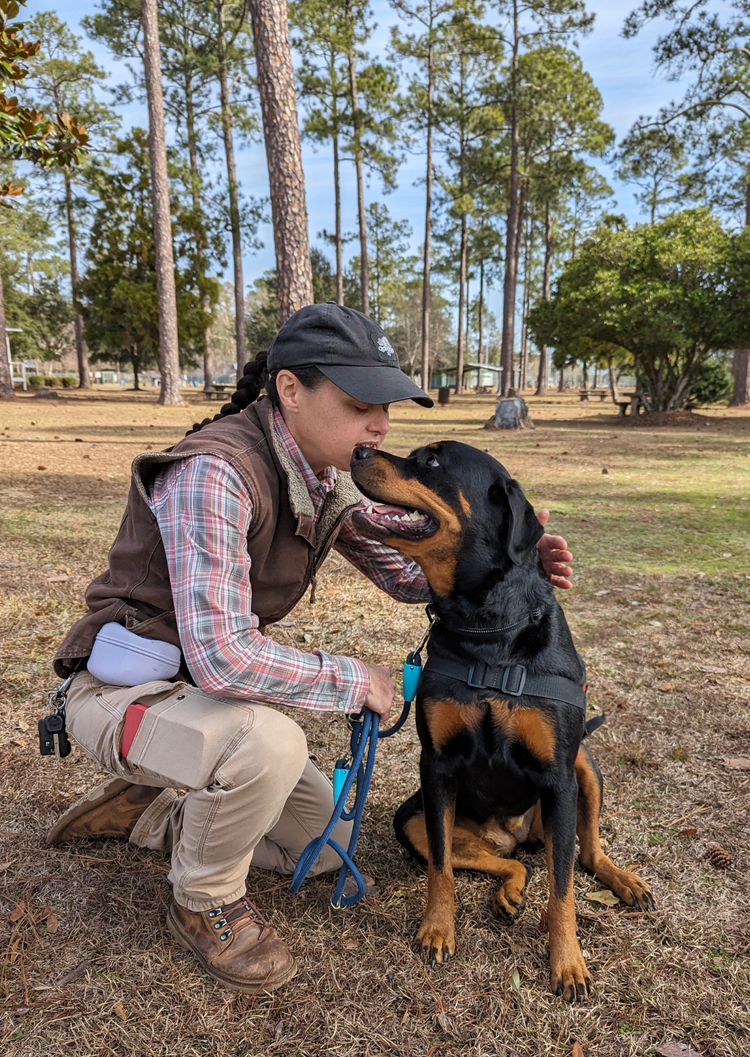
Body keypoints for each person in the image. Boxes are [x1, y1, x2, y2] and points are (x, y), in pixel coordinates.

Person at [47, 302, 574, 994]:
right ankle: (204, 897)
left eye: (383, 407)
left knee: (322, 842)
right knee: (270, 743)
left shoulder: (318, 478)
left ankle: (152, 809)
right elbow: (224, 658)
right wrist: (356, 678)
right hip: (121, 695)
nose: (380, 427)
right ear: (290, 390)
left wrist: (506, 565)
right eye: (360, 405)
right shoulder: (217, 472)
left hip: (194, 699)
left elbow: (405, 577)